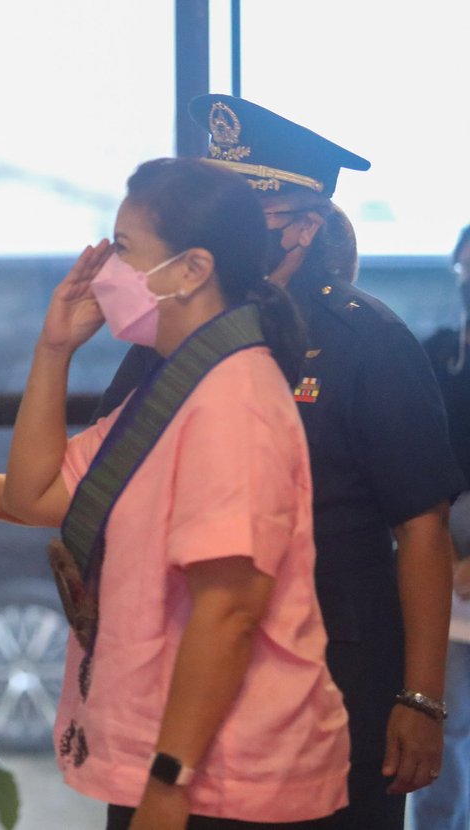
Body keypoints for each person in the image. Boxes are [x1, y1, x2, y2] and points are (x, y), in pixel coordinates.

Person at [0, 157, 349, 828]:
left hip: (224, 774)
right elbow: (45, 490)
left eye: (125, 250)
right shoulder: (177, 381)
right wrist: (53, 349)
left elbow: (229, 612)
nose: (106, 273)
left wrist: (169, 780)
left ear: (192, 270)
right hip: (174, 756)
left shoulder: (233, 402)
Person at [87, 95, 463, 830]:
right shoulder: (170, 334)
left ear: (304, 226)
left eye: (246, 215)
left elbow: (423, 526)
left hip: (328, 676)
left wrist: (420, 699)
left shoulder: (367, 343)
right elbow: (99, 469)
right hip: (177, 670)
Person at [411, 224, 470, 829]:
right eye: (465, 267)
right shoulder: (437, 351)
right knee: (445, 722)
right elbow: (416, 459)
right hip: (444, 541)